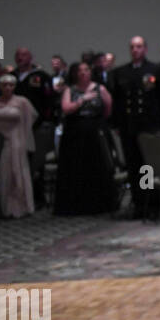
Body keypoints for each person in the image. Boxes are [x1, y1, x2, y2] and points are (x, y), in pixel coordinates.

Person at [110, 36, 160, 219]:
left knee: (148, 168)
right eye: (133, 47)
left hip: (148, 128)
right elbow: (117, 102)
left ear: (145, 49)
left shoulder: (154, 70)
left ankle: (151, 203)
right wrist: (117, 124)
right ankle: (138, 203)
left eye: (139, 46)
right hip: (129, 128)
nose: (135, 50)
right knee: (134, 168)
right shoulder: (121, 72)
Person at [54, 61, 117, 216]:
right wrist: (83, 99)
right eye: (80, 71)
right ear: (75, 73)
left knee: (97, 167)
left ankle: (100, 205)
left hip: (95, 133)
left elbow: (108, 108)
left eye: (86, 70)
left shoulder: (99, 88)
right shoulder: (70, 89)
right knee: (75, 169)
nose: (83, 73)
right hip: (74, 135)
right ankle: (75, 206)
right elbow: (66, 109)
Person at [0, 74, 37, 218]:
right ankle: (2, 206)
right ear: (0, 86)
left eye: (11, 85)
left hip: (15, 140)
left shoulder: (22, 102)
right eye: (5, 85)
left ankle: (20, 206)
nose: (8, 87)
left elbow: (30, 119)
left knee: (16, 171)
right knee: (2, 172)